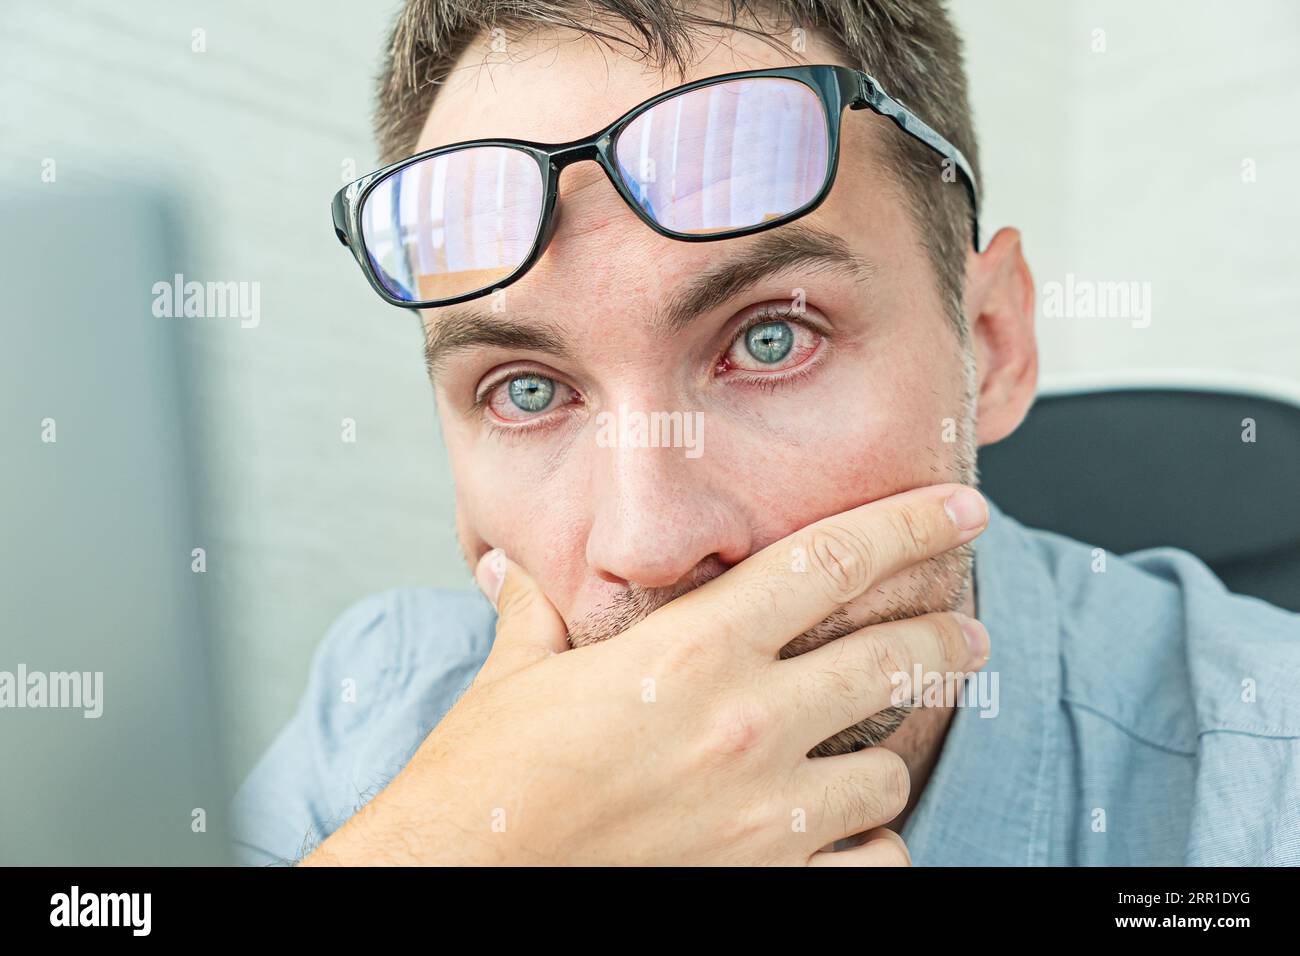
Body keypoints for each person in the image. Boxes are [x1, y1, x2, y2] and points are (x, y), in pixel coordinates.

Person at [232, 0, 1300, 866]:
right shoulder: (378, 704)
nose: (647, 545)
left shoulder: (1265, 774)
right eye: (525, 390)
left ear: (991, 343)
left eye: (774, 340)